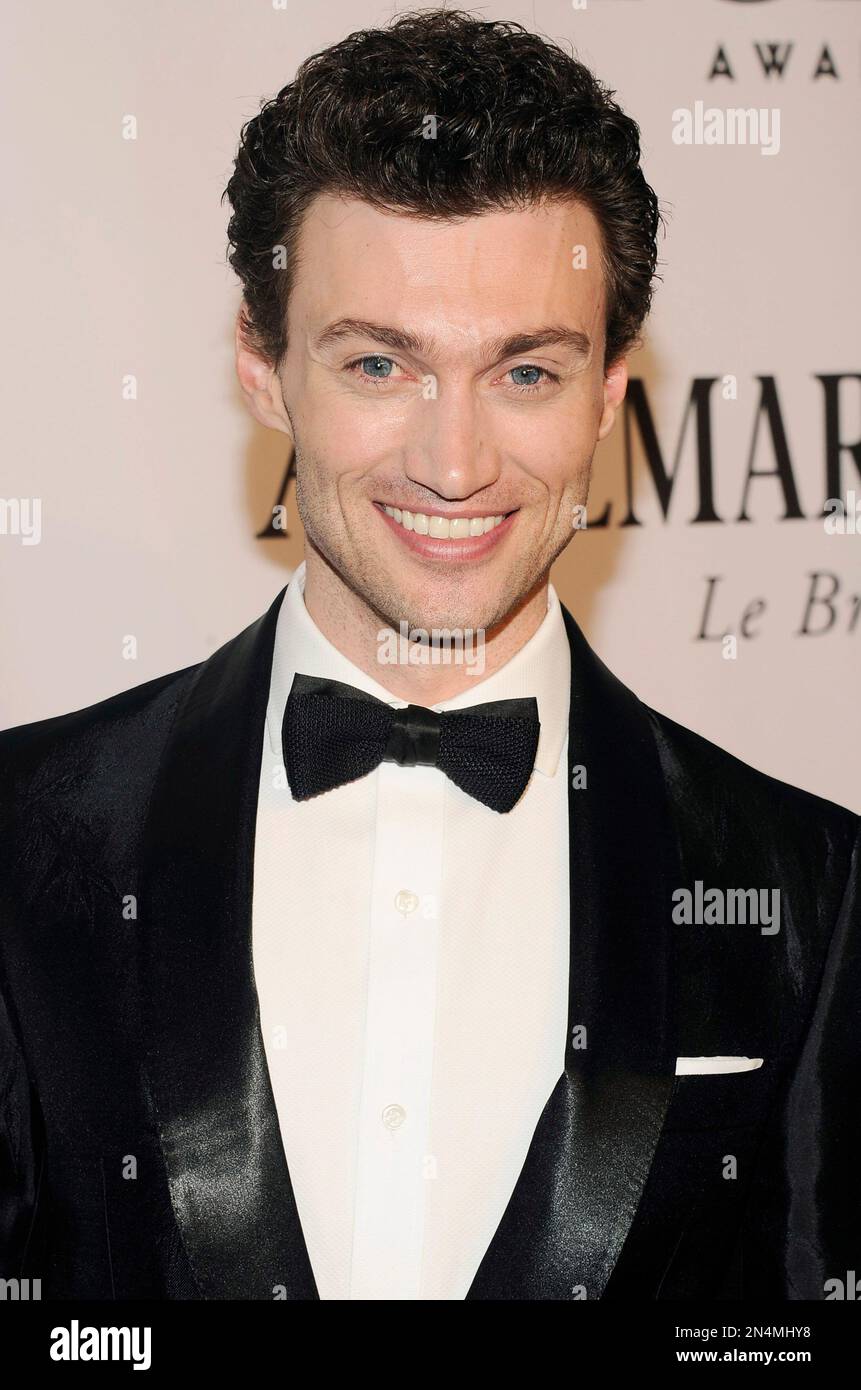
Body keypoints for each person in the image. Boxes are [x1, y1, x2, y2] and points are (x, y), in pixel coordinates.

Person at [1, 9, 857, 1302]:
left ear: (610, 393)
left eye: (523, 372)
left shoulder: (814, 891)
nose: (451, 464)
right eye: (378, 363)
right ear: (263, 366)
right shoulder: (24, 834)